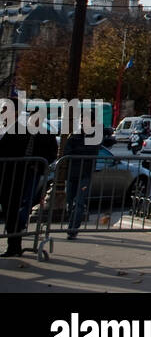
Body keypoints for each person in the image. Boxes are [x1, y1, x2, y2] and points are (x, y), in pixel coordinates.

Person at [0, 102, 59, 257]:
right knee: (12, 211)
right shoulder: (17, 130)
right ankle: (14, 245)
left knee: (14, 209)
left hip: (17, 176)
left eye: (5, 110)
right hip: (13, 175)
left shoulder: (21, 132)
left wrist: (37, 166)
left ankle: (14, 244)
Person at [63, 131, 99, 239]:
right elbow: (67, 152)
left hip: (85, 174)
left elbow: (92, 153)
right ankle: (72, 224)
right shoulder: (74, 136)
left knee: (78, 202)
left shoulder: (94, 137)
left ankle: (73, 228)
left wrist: (77, 152)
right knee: (69, 202)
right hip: (72, 173)